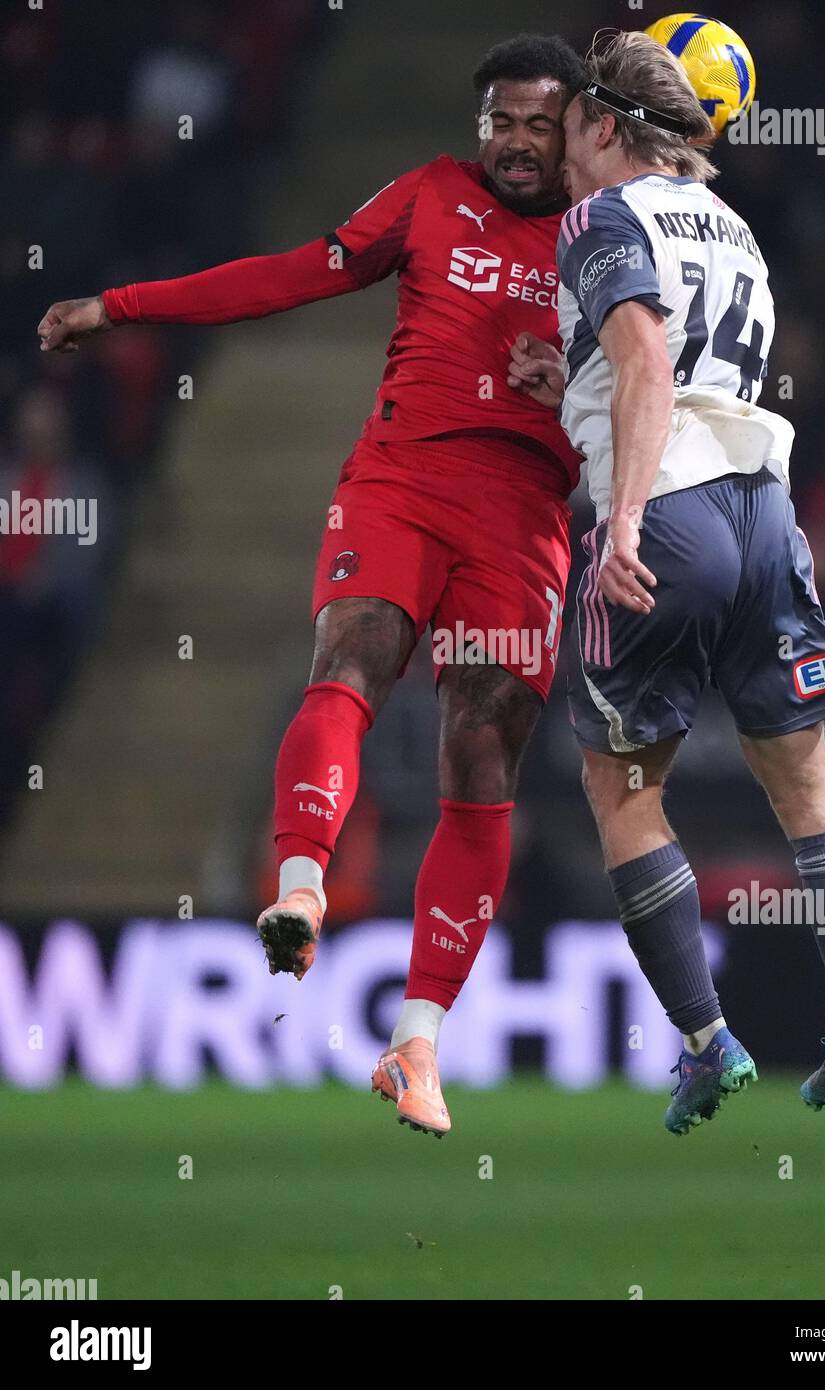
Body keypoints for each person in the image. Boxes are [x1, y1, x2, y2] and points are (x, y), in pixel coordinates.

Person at [37, 34, 587, 1138]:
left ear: (575, 128)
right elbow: (295, 272)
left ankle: (417, 1042)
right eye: (502, 122)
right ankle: (299, 883)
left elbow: (675, 374)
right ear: (478, 126)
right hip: (402, 479)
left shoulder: (607, 231)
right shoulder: (428, 194)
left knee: (481, 754)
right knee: (353, 652)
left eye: (540, 123)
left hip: (524, 514)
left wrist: (578, 373)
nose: (518, 143)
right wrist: (129, 305)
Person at [508, 30, 825, 1135]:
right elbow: (686, 368)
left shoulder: (602, 215)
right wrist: (564, 390)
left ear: (609, 128)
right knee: (807, 788)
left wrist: (621, 516)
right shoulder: (734, 224)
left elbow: (646, 367)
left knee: (622, 789)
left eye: (573, 123)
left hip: (667, 513)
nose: (558, 147)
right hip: (765, 510)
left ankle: (706, 1039)